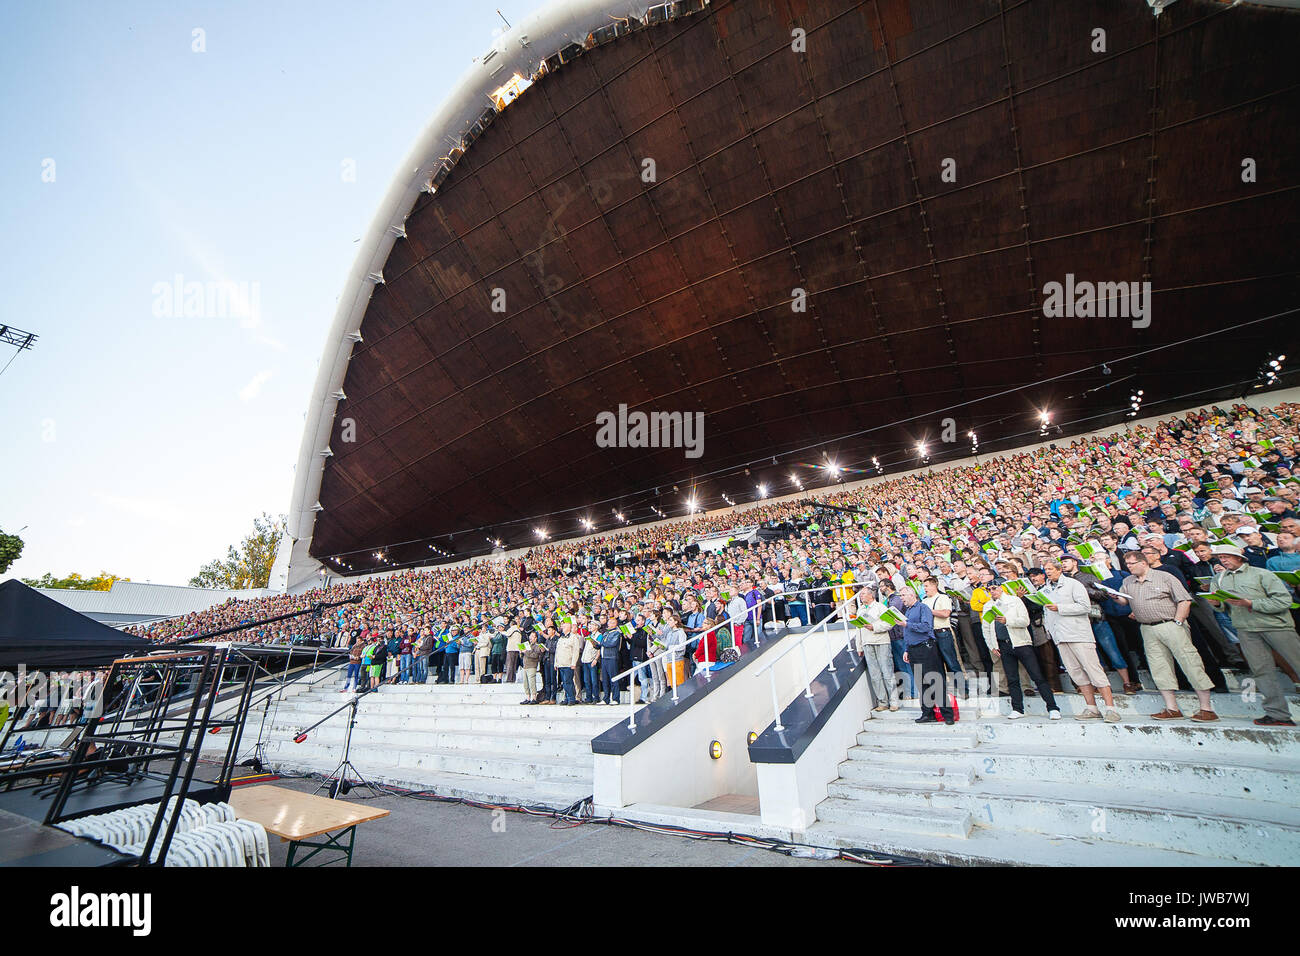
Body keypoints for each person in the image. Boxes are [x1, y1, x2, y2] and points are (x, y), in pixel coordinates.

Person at [1113, 552, 1218, 721]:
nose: (1129, 566)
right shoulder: (1127, 581)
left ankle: (1206, 708)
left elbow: (1184, 600)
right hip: (1147, 628)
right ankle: (1171, 708)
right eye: (1127, 564)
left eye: (1132, 563)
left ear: (1143, 563)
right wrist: (1115, 597)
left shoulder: (1165, 577)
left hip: (1170, 624)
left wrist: (1178, 621)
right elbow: (1124, 601)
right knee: (1159, 667)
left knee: (1190, 662)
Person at [1207, 545, 1300, 726]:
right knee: (1261, 671)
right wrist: (1215, 604)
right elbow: (1222, 606)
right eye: (1221, 557)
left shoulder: (1261, 574)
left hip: (1276, 626)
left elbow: (1283, 600)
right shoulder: (1218, 579)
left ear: (1239, 558)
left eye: (1227, 557)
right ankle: (1278, 714)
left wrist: (1252, 603)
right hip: (1246, 629)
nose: (1223, 560)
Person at [1040, 560, 1121, 721]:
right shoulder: (1045, 590)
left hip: (1078, 633)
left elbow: (1085, 607)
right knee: (1076, 672)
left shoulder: (1073, 584)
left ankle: (1111, 709)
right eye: (1046, 569)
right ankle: (1091, 707)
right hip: (1060, 636)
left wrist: (1060, 608)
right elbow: (1046, 613)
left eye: (1050, 568)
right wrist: (1050, 632)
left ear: (1058, 570)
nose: (1047, 572)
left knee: (1093, 670)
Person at [981, 581, 1064, 720]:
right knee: (1012, 678)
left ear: (1001, 588)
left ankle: (1052, 707)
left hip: (1021, 643)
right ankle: (1018, 708)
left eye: (994, 588)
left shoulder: (1014, 601)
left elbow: (1024, 621)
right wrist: (992, 645)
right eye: (989, 589)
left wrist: (1007, 620)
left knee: (1037, 675)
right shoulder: (988, 605)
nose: (992, 591)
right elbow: (986, 627)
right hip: (1003, 645)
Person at [899, 585, 953, 724]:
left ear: (912, 595)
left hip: (926, 648)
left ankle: (947, 715)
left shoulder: (923, 608)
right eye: (901, 596)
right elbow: (907, 633)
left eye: (904, 595)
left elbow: (926, 627)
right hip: (913, 649)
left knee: (935, 681)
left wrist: (907, 624)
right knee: (921, 683)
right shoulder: (908, 611)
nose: (902, 598)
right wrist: (906, 649)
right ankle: (927, 713)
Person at [856, 586, 899, 712]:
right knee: (875, 675)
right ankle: (882, 701)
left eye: (863, 594)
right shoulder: (860, 610)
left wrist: (874, 626)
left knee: (887, 672)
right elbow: (858, 629)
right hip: (867, 643)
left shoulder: (880, 607)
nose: (861, 596)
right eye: (860, 594)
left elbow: (890, 623)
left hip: (881, 642)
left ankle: (894, 701)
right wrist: (859, 646)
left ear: (871, 595)